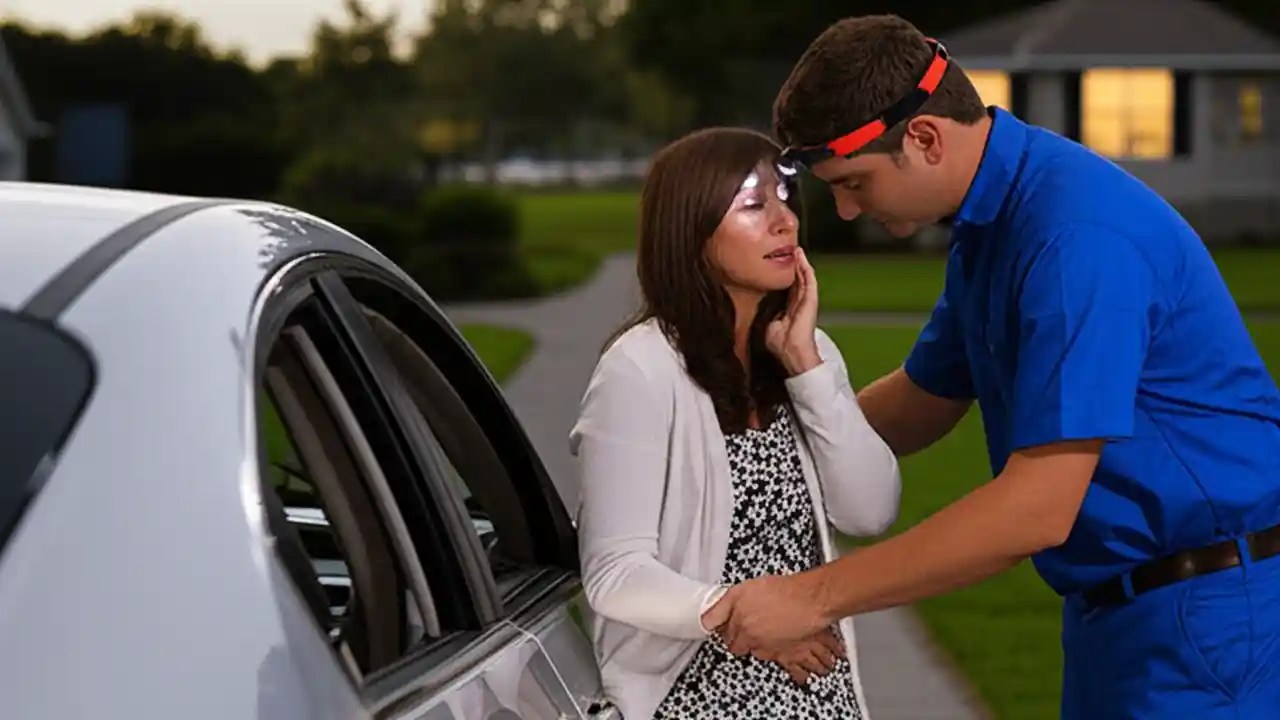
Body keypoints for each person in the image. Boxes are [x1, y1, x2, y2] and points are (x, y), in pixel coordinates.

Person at [702, 13, 1280, 719]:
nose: (848, 211)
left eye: (854, 182)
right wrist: (743, 448)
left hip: (1211, 620)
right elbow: (922, 399)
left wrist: (811, 596)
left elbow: (1034, 510)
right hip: (1123, 613)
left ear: (924, 138)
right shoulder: (994, 222)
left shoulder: (1074, 240)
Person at [569, 126, 901, 720]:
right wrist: (745, 615)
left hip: (823, 699)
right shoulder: (640, 369)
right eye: (754, 205)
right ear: (691, 231)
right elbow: (615, 573)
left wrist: (806, 366)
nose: (786, 222)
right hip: (696, 698)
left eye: (784, 199)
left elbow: (870, 510)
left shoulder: (808, 352)